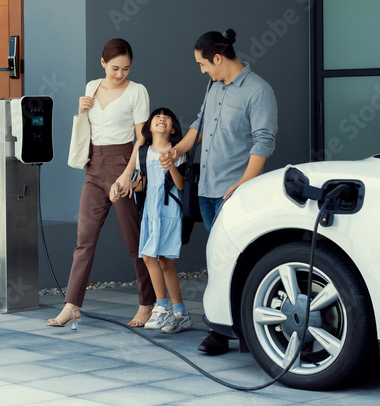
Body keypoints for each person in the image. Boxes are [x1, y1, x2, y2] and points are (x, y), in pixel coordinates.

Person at [161, 29, 277, 352]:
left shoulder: (259, 91)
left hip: (235, 193)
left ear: (217, 58)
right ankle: (226, 327)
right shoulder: (214, 86)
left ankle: (233, 331)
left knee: (238, 261)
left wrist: (245, 183)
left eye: (202, 64)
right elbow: (200, 124)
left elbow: (264, 140)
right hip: (207, 191)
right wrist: (177, 150)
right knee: (218, 261)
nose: (202, 71)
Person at [48, 38, 155, 329]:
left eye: (126, 68)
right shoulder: (91, 87)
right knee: (84, 240)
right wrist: (81, 110)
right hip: (94, 168)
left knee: (134, 241)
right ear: (103, 63)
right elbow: (87, 128)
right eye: (115, 68)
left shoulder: (137, 91)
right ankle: (72, 305)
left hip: (123, 164)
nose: (120, 74)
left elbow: (142, 138)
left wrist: (128, 174)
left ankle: (147, 304)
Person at [112, 108, 193, 334]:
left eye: (167, 117)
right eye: (157, 116)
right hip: (150, 211)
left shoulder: (177, 152)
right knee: (154, 259)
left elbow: (181, 185)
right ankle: (179, 313)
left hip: (169, 211)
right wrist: (123, 188)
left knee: (162, 260)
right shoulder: (143, 152)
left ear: (173, 128)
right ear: (149, 126)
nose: (162, 118)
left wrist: (171, 165)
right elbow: (141, 183)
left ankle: (165, 308)